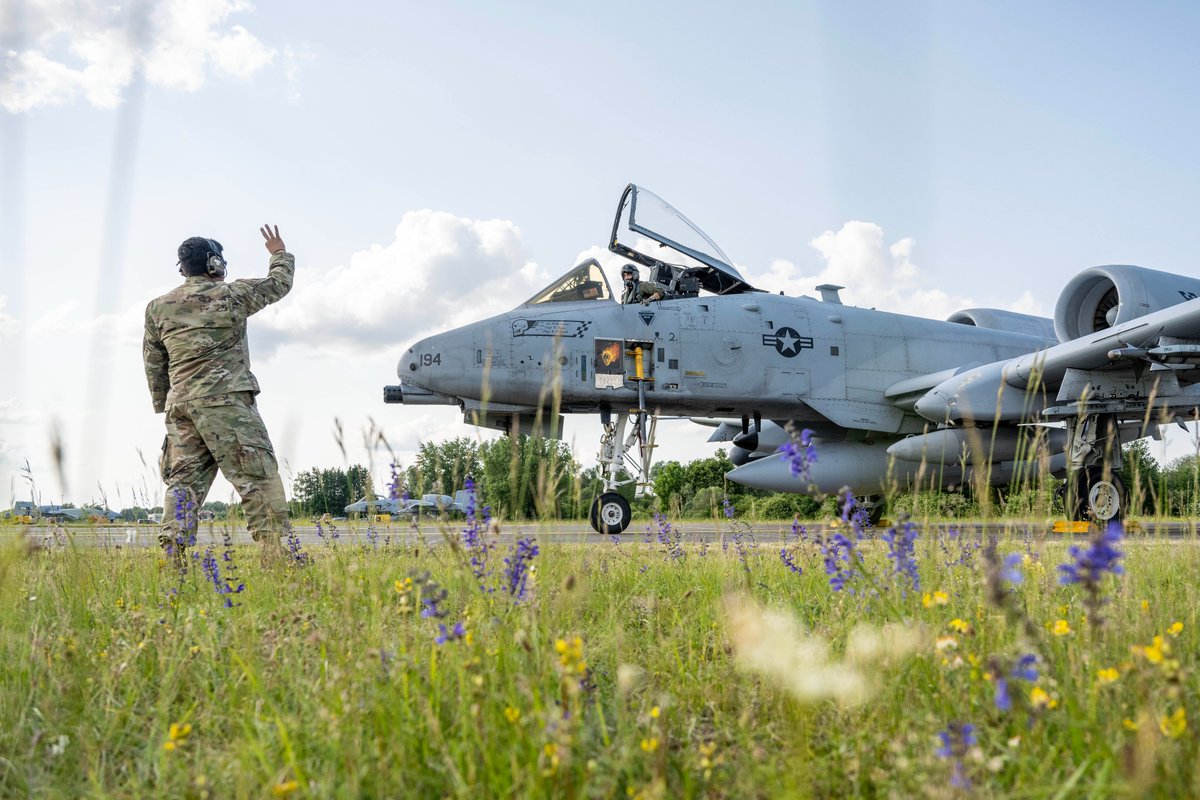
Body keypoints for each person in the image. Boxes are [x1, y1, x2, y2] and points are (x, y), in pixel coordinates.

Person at [143, 225, 294, 561]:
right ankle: (277, 556)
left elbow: (154, 362)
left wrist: (165, 402)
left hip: (181, 406)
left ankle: (173, 558)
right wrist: (278, 254)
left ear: (182, 267)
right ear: (214, 264)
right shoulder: (231, 295)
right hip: (227, 402)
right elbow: (278, 285)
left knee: (183, 482)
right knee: (257, 475)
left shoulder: (157, 308)